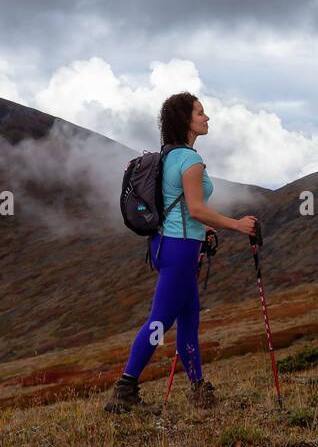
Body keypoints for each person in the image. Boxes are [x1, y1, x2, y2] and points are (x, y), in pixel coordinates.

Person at [104, 92, 257, 413]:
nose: (206, 117)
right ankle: (124, 389)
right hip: (181, 249)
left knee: (188, 319)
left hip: (163, 245)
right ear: (185, 121)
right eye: (200, 113)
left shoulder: (167, 156)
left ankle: (199, 389)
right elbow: (197, 209)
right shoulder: (190, 160)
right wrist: (236, 224)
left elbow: (179, 208)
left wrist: (207, 231)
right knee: (159, 321)